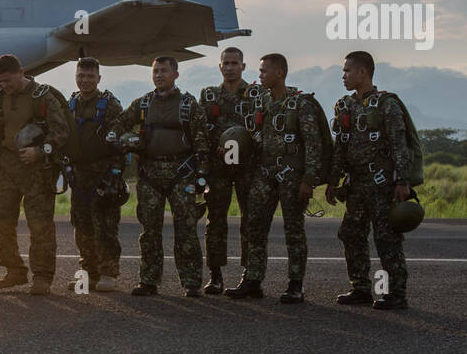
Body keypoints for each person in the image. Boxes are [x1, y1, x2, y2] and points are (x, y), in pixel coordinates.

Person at [225, 53, 325, 303]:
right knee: (254, 226)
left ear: (279, 73)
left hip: (292, 176)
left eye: (264, 71)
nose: (259, 76)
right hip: (265, 173)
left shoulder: (300, 103)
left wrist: (309, 179)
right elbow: (252, 136)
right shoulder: (263, 102)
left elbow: (313, 144)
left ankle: (295, 284)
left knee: (294, 231)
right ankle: (252, 280)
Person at [109, 56, 210, 296]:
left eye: (164, 71)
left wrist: (202, 176)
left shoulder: (189, 105)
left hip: (181, 175)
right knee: (150, 231)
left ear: (176, 74)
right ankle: (148, 280)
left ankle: (191, 282)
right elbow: (119, 123)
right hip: (150, 175)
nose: (159, 75)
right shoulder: (143, 104)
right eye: (155, 71)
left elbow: (202, 141)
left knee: (185, 229)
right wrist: (119, 139)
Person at [326, 50, 415, 309]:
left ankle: (395, 293)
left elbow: (400, 144)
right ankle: (361, 289)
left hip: (382, 183)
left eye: (347, 71)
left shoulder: (388, 104)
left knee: (387, 239)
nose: (343, 76)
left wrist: (403, 181)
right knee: (351, 234)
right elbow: (340, 146)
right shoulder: (344, 105)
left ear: (362, 72)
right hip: (355, 185)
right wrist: (333, 180)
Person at [0, 55, 72, 295]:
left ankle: (42, 276)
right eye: (0, 81)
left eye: (7, 80)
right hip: (7, 165)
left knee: (40, 224)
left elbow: (61, 131)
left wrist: (40, 151)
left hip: (38, 168)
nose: (4, 85)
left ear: (21, 72)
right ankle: (14, 270)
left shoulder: (42, 96)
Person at [199, 47, 259, 293]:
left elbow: (262, 129)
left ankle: (250, 276)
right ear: (220, 66)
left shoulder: (256, 95)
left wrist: (249, 147)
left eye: (235, 63)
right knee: (215, 222)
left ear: (244, 66)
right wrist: (217, 147)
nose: (231, 67)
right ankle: (215, 276)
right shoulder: (209, 95)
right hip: (218, 168)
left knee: (251, 221)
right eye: (227, 63)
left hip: (248, 168)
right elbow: (201, 129)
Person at [65, 57, 124, 292]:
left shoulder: (110, 105)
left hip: (104, 175)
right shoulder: (70, 104)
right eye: (81, 75)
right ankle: (87, 274)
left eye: (90, 76)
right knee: (82, 227)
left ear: (99, 78)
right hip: (79, 176)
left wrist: (115, 174)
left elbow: (120, 142)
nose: (85, 80)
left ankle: (109, 273)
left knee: (106, 227)